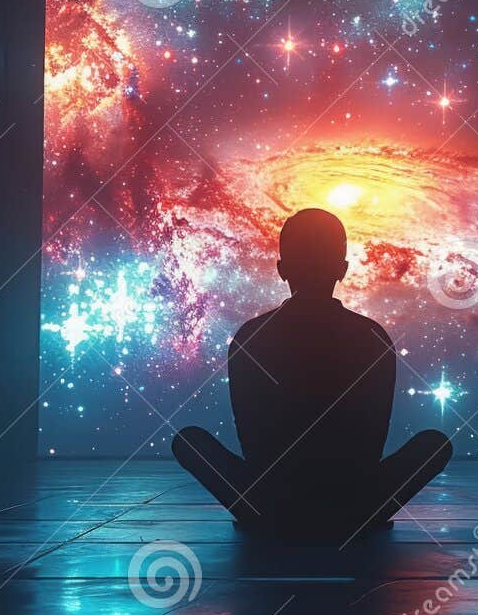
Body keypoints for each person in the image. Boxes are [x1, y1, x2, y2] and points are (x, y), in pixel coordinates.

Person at [172, 208, 453, 539]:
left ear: (281, 269)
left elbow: (249, 432)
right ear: (343, 269)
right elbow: (374, 432)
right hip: (355, 505)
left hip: (270, 504)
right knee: (434, 445)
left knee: (190, 442)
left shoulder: (250, 336)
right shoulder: (372, 336)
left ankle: (275, 517)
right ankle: (350, 518)